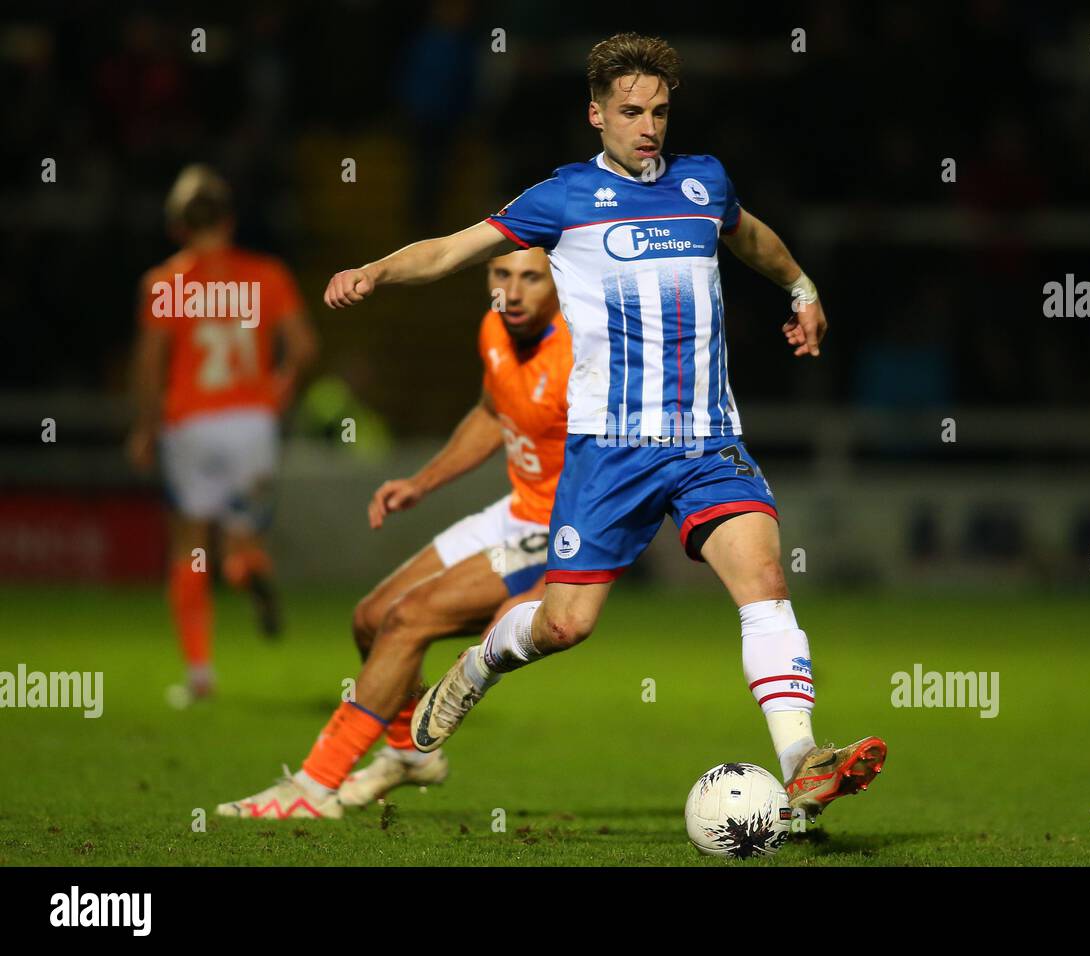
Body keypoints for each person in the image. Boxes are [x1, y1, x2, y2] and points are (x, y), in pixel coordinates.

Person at [323, 33, 886, 820]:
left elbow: (750, 237)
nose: (648, 125)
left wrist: (800, 287)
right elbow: (454, 249)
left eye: (658, 110)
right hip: (609, 452)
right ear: (596, 115)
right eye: (630, 111)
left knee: (763, 582)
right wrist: (376, 270)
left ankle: (803, 761)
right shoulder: (563, 198)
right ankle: (483, 661)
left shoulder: (703, 183)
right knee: (565, 625)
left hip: (705, 441)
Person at [218, 248, 568, 818]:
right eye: (501, 275)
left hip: (560, 528)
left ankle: (314, 787)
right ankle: (409, 754)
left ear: (558, 283)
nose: (514, 290)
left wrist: (560, 580)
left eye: (531, 277)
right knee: (372, 618)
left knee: (408, 620)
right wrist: (422, 483)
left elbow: (624, 462)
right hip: (515, 512)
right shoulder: (495, 329)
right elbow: (490, 412)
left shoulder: (586, 354)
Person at [128, 165, 317, 703]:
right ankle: (249, 570)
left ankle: (199, 675)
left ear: (176, 226)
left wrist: (145, 427)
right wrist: (276, 394)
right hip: (251, 425)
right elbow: (303, 349)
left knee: (189, 546)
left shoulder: (164, 283)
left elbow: (148, 364)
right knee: (244, 537)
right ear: (230, 221)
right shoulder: (268, 276)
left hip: (191, 424)